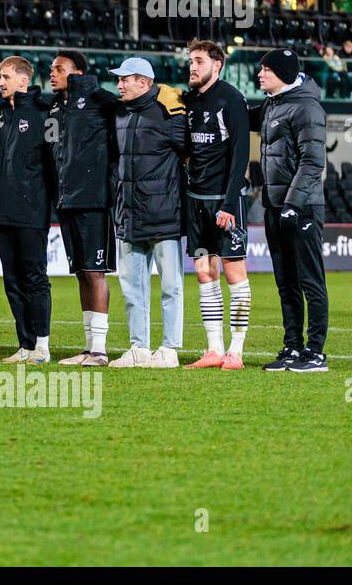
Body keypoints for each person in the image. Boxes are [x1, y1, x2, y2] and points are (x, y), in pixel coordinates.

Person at [252, 48, 329, 372]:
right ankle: (293, 347)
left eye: (265, 69)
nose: (259, 74)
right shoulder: (273, 105)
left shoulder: (306, 107)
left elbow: (312, 162)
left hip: (302, 208)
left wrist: (292, 205)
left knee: (310, 280)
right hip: (275, 206)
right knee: (286, 282)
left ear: (281, 73)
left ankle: (315, 351)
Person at [109, 57, 189, 368]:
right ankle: (139, 348)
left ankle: (169, 349)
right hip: (129, 212)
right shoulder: (120, 114)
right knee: (132, 287)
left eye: (124, 80)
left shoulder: (169, 111)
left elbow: (188, 153)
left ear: (143, 82)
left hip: (163, 213)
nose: (119, 85)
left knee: (171, 285)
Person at [181, 40, 253, 371]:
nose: (192, 66)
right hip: (196, 203)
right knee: (203, 271)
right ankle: (214, 349)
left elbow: (240, 155)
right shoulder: (190, 100)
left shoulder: (231, 100)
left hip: (226, 204)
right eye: (190, 61)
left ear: (217, 64)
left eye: (198, 61)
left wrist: (229, 203)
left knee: (234, 273)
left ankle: (235, 352)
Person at [48, 50, 119, 367]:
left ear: (76, 73)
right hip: (67, 200)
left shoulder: (99, 99)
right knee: (80, 273)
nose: (52, 73)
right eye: (51, 68)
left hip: (94, 200)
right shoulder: (56, 108)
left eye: (59, 68)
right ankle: (90, 348)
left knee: (95, 272)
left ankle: (100, 351)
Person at [0, 56, 56, 365]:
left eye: (5, 77)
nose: (0, 82)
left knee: (35, 278)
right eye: (0, 77)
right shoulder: (0, 115)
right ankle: (25, 345)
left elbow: (54, 164)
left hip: (32, 212)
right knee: (12, 282)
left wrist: (46, 203)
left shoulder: (44, 115)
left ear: (23, 80)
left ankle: (42, 346)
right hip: (2, 213)